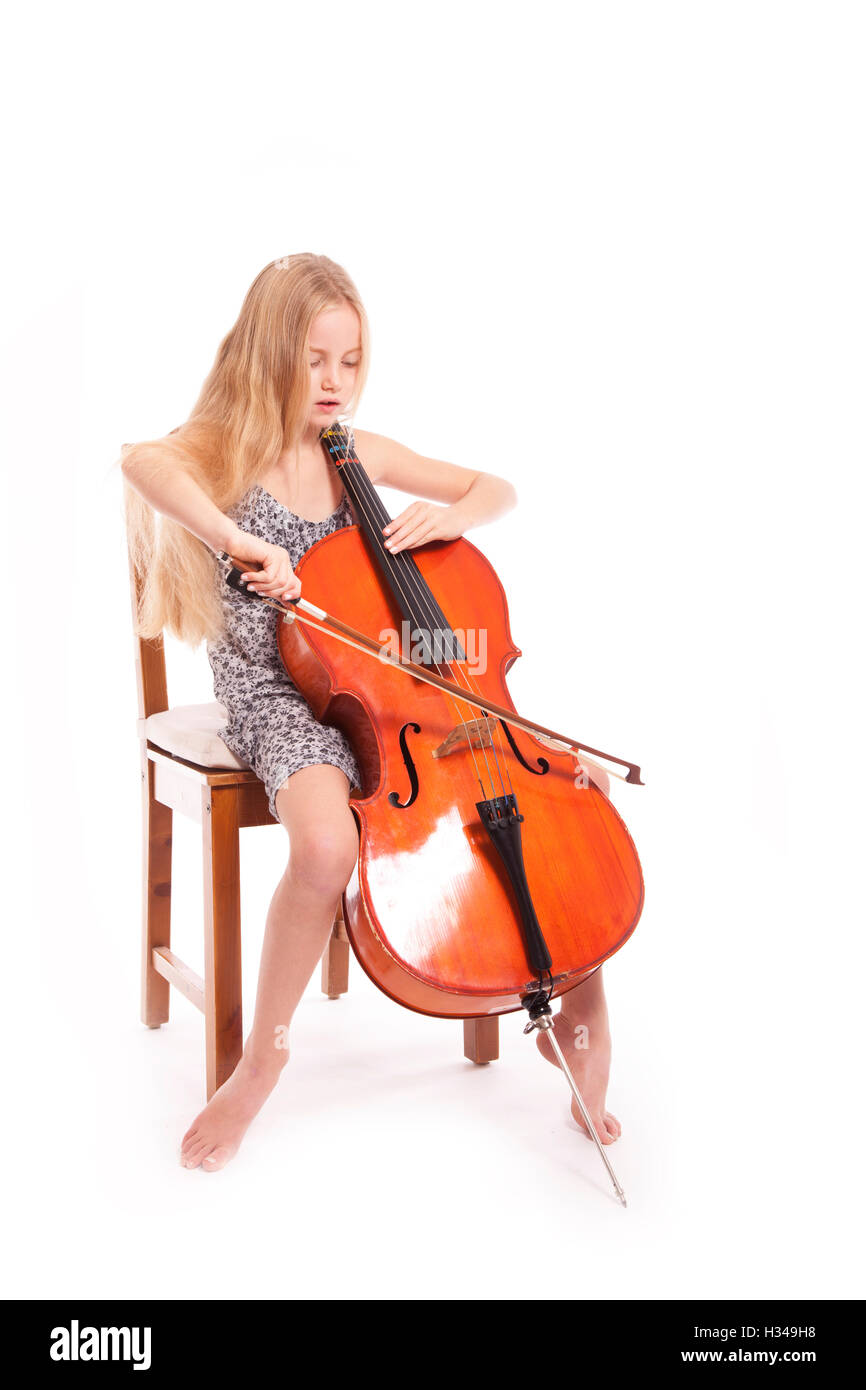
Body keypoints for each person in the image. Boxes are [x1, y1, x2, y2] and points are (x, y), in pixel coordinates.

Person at [122, 252, 620, 1172]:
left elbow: (495, 487)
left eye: (350, 362)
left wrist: (450, 516)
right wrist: (235, 539)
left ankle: (568, 1025)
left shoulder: (357, 451)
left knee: (553, 801)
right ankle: (261, 1063)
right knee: (323, 845)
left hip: (401, 682)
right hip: (276, 694)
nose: (333, 382)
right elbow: (142, 461)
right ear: (269, 351)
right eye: (314, 359)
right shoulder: (223, 451)